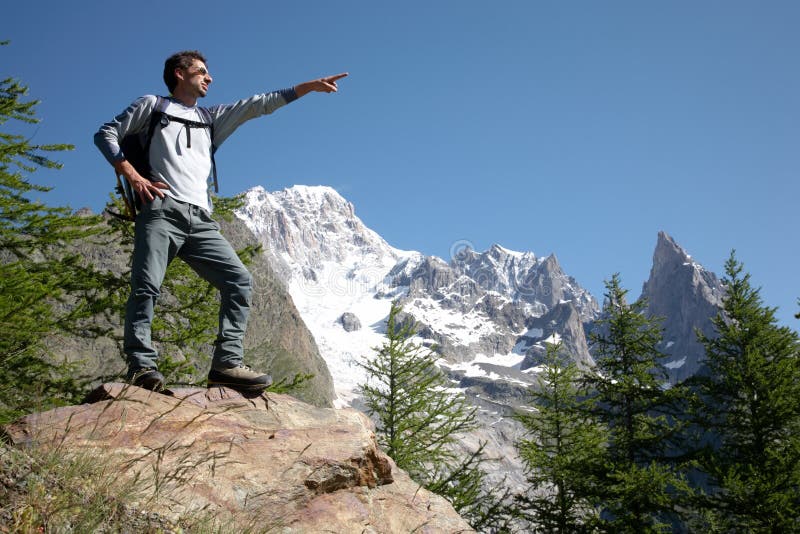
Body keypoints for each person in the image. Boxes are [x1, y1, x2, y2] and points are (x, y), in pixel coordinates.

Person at [94, 50, 347, 392]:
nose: (209, 78)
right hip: (161, 209)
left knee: (239, 281)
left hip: (200, 219)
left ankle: (226, 364)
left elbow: (258, 105)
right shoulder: (152, 105)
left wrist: (307, 88)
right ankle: (141, 366)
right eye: (201, 72)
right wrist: (134, 175)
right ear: (179, 74)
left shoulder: (211, 118)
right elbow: (106, 134)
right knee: (146, 285)